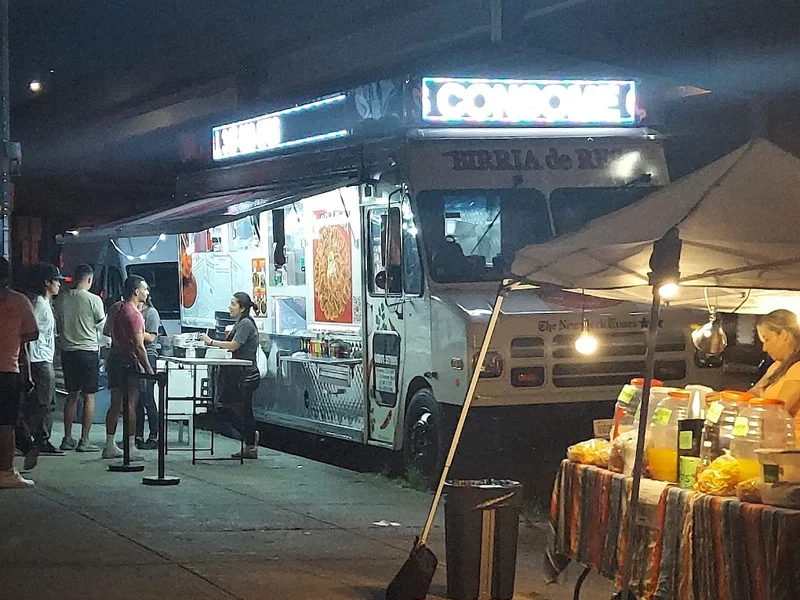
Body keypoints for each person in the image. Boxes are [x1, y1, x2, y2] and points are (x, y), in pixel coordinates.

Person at [200, 292, 261, 459]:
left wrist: (211, 342)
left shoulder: (246, 324)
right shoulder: (240, 323)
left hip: (246, 375)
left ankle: (250, 442)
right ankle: (249, 439)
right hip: (236, 373)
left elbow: (234, 346)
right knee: (225, 407)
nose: (229, 306)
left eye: (233, 304)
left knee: (241, 409)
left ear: (241, 308)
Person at [55, 264, 105, 452]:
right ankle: (85, 440)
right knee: (89, 397)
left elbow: (58, 323)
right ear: (89, 280)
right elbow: (101, 325)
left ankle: (67, 438)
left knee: (71, 396)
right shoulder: (94, 300)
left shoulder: (61, 299)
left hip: (68, 352)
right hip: (88, 351)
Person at [103, 275, 154, 459]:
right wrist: (148, 369)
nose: (147, 292)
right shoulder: (135, 314)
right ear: (136, 291)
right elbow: (139, 346)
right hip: (128, 360)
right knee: (131, 404)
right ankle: (130, 447)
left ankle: (110, 445)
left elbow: (106, 331)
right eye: (145, 289)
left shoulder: (115, 308)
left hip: (114, 358)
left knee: (115, 403)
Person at [0, 257, 40, 488]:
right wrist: (28, 374)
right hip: (7, 368)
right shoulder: (19, 301)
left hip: (9, 366)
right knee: (6, 423)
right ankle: (6, 471)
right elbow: (28, 339)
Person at [24, 263, 67, 457]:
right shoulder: (39, 303)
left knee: (43, 400)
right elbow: (28, 330)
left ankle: (37, 437)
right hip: (39, 358)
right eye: (56, 281)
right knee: (45, 401)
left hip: (42, 357)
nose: (59, 284)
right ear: (46, 282)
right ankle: (41, 439)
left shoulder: (45, 302)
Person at [749, 309, 800, 437]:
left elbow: (778, 412)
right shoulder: (776, 366)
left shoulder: (797, 369)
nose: (764, 348)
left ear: (783, 335)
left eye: (767, 339)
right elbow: (753, 394)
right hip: (770, 443)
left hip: (791, 450)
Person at [135, 295, 160, 450]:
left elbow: (151, 337)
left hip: (148, 356)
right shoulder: (130, 310)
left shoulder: (151, 313)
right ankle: (137, 435)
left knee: (148, 398)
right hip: (133, 356)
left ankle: (154, 436)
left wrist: (135, 329)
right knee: (136, 400)